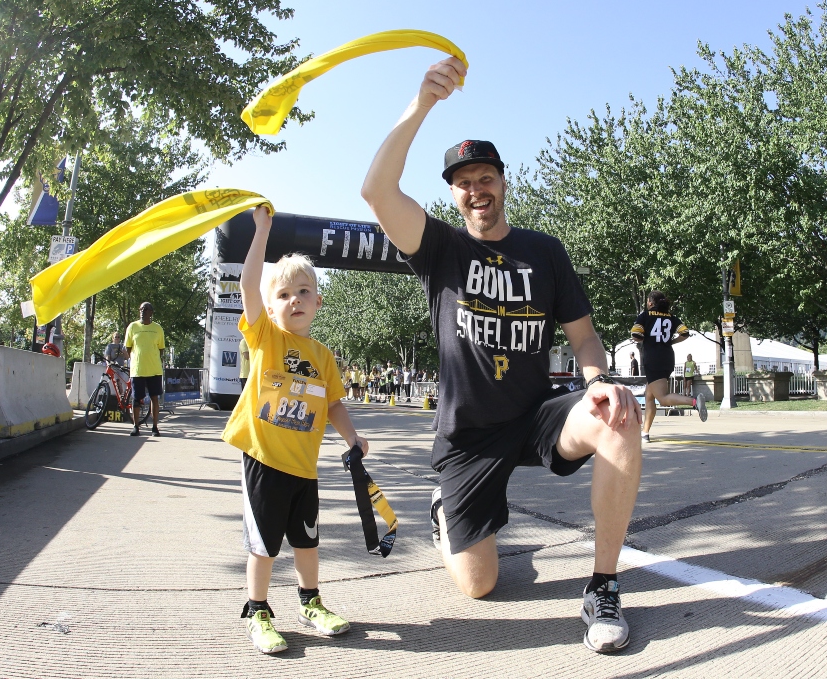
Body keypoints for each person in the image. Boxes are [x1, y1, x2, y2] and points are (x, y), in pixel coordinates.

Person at [360, 56, 644, 653]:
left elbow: (585, 338)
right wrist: (422, 104)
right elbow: (376, 190)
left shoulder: (545, 252)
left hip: (535, 415)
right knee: (480, 585)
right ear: (455, 196)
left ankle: (604, 587)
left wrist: (601, 379)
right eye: (463, 182)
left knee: (620, 413)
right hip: (466, 438)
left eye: (484, 177)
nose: (475, 189)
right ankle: (448, 508)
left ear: (503, 181)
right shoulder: (439, 248)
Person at [222, 205, 368, 655]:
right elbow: (248, 284)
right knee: (264, 545)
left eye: (304, 292)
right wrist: (262, 231)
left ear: (319, 302)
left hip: (305, 468)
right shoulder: (266, 337)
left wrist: (352, 437)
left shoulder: (323, 356)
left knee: (307, 540)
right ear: (270, 307)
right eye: (285, 294)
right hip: (264, 460)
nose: (296, 300)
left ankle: (311, 602)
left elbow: (334, 404)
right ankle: (258, 610)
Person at [630, 291, 708, 443]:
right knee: (649, 395)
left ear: (651, 303)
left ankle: (694, 402)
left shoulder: (645, 315)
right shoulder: (671, 317)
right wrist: (670, 342)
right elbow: (685, 332)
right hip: (667, 356)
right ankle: (645, 433)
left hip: (653, 358)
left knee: (663, 398)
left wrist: (647, 340)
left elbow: (635, 334)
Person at [124, 302, 165, 437]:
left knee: (154, 398)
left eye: (146, 309)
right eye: (141, 309)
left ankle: (155, 427)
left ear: (151, 312)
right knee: (136, 398)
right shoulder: (132, 327)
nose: (143, 311)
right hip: (138, 369)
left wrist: (150, 358)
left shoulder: (158, 328)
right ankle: (136, 426)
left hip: (154, 369)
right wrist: (136, 359)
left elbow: (161, 349)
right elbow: (128, 348)